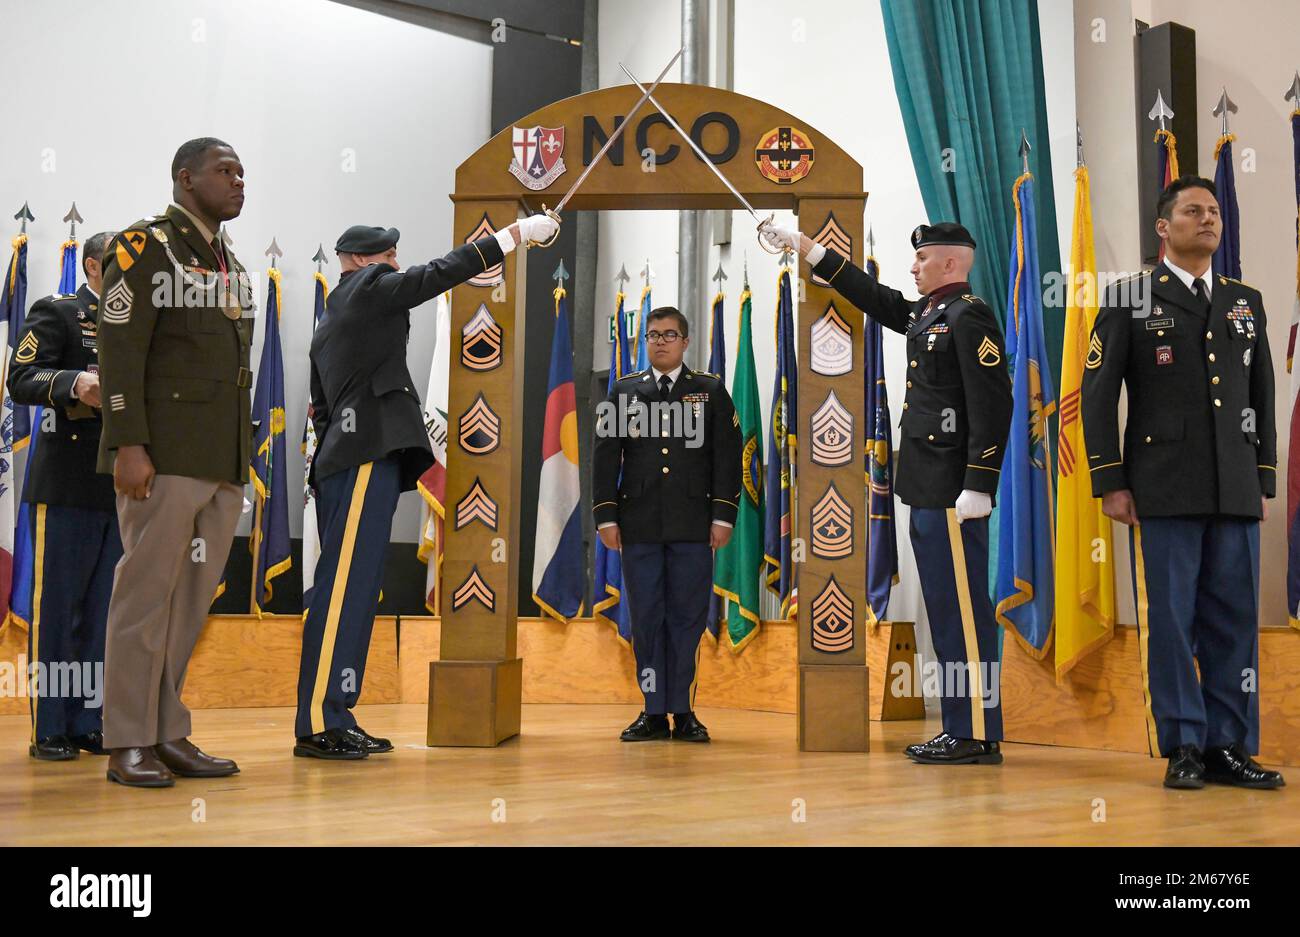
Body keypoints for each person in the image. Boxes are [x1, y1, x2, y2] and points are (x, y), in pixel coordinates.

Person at [294, 212, 558, 759]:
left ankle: (337, 713)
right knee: (344, 592)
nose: (396, 265)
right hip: (364, 454)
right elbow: (433, 275)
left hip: (357, 456)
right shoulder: (365, 289)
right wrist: (512, 237)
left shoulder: (335, 314)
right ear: (366, 262)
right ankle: (320, 720)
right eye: (389, 257)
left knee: (360, 592)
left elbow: (320, 408)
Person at [761, 220, 1012, 764]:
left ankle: (974, 731)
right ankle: (962, 725)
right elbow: (876, 299)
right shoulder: (928, 314)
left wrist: (980, 482)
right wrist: (808, 250)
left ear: (950, 263)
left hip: (954, 492)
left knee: (965, 611)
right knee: (945, 609)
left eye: (922, 260)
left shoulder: (969, 316)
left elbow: (994, 404)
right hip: (927, 487)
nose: (913, 268)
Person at [1081, 175, 1283, 790]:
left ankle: (1229, 744)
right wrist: (1110, 480)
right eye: (1194, 211)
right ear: (1164, 229)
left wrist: (1263, 476)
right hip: (1162, 485)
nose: (1209, 220)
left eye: (1214, 211)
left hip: (1233, 487)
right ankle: (1184, 744)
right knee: (1171, 619)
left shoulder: (1244, 300)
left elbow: (1263, 392)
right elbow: (1096, 396)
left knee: (1232, 620)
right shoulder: (1130, 298)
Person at [97, 137, 254, 787]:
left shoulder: (232, 261)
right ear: (185, 179)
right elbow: (120, 348)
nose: (239, 181)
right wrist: (128, 442)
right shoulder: (145, 246)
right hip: (161, 458)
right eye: (225, 171)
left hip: (218, 460)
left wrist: (240, 464)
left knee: (188, 605)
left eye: (243, 172)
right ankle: (127, 740)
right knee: (143, 601)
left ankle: (167, 730)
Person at [593, 306, 741, 743]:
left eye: (669, 334)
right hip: (638, 524)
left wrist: (722, 515)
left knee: (687, 618)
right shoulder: (622, 392)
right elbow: (605, 457)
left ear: (685, 342)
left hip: (693, 524)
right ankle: (652, 710)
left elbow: (727, 458)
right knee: (647, 618)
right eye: (653, 334)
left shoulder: (709, 391)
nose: (660, 341)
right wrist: (605, 515)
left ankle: (684, 709)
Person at [8, 231, 120, 761]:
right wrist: (76, 382)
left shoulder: (142, 322)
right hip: (70, 480)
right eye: (123, 264)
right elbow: (22, 377)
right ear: (94, 267)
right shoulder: (59, 311)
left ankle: (88, 721)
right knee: (59, 608)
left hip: (125, 484)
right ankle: (51, 725)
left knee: (104, 611)